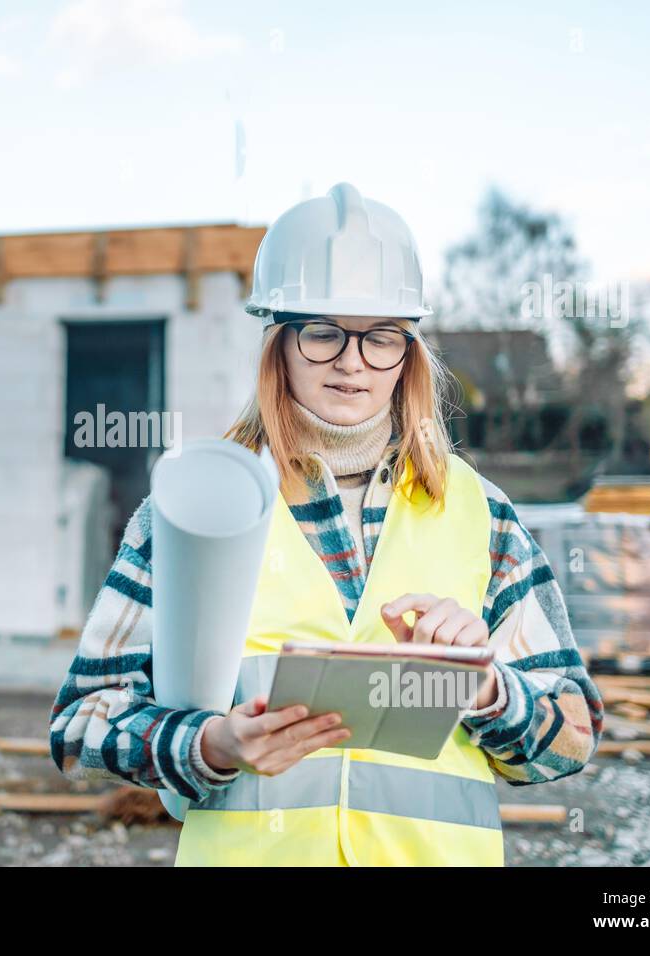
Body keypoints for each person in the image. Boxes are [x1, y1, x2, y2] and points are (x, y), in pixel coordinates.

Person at [49, 182, 604, 866]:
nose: (352, 360)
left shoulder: (482, 516)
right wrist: (209, 746)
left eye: (381, 338)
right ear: (278, 343)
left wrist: (484, 687)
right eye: (322, 333)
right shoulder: (198, 508)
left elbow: (573, 735)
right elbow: (80, 725)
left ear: (409, 353)